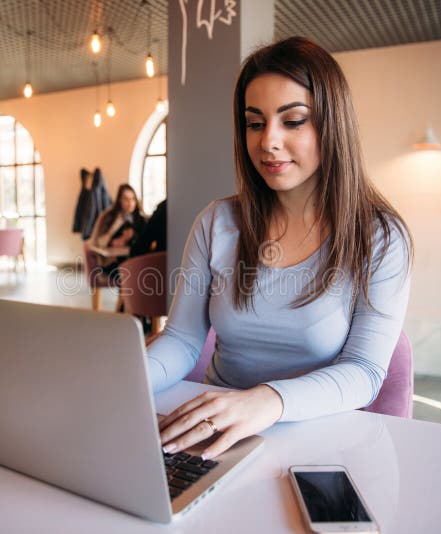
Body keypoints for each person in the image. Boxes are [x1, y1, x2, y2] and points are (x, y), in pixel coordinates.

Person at [147, 37, 413, 462]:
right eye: (255, 123)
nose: (268, 141)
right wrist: (121, 380)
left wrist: (266, 401)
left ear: (332, 124)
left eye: (293, 121)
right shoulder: (217, 222)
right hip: (216, 435)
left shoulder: (380, 237)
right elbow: (181, 340)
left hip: (316, 439)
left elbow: (364, 372)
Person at [88, 184, 146, 279]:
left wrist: (132, 237)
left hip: (133, 260)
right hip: (110, 263)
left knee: (136, 272)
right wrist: (116, 238)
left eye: (132, 199)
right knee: (127, 274)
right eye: (126, 199)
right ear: (119, 200)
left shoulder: (140, 219)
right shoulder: (108, 217)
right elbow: (97, 243)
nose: (130, 203)